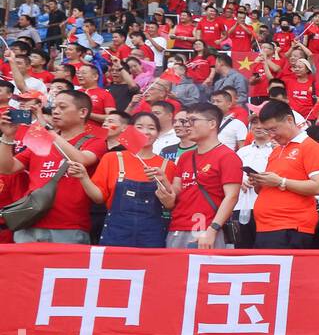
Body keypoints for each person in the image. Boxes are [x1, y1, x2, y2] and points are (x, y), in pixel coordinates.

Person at [0, 90, 108, 244]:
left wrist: (48, 130)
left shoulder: (95, 142)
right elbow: (7, 168)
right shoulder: (42, 139)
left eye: (62, 107)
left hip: (69, 227)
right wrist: (7, 136)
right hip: (29, 222)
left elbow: (80, 159)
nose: (56, 111)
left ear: (83, 112)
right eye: (54, 107)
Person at [67, 111, 175, 248]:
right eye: (139, 127)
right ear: (129, 131)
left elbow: (170, 204)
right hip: (116, 233)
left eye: (152, 128)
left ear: (159, 134)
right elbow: (98, 198)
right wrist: (83, 177)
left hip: (151, 235)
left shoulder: (168, 165)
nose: (146, 132)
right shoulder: (112, 158)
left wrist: (164, 181)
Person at [247, 99, 319, 249]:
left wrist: (281, 182)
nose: (271, 135)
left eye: (273, 129)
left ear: (289, 120)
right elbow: (272, 186)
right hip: (266, 226)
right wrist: (260, 182)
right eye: (267, 131)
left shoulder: (310, 147)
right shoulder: (277, 150)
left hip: (290, 227)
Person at [164, 102, 242, 249]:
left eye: (193, 120)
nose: (187, 125)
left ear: (212, 123)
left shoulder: (227, 156)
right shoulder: (185, 157)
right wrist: (161, 180)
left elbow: (231, 196)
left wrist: (213, 229)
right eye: (186, 121)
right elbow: (176, 191)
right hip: (177, 226)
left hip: (206, 230)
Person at [234, 116, 275, 248]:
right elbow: (232, 176)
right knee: (241, 250)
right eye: (254, 123)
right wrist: (240, 181)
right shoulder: (242, 152)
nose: (258, 126)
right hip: (241, 206)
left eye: (262, 122)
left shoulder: (277, 150)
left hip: (267, 207)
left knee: (265, 249)